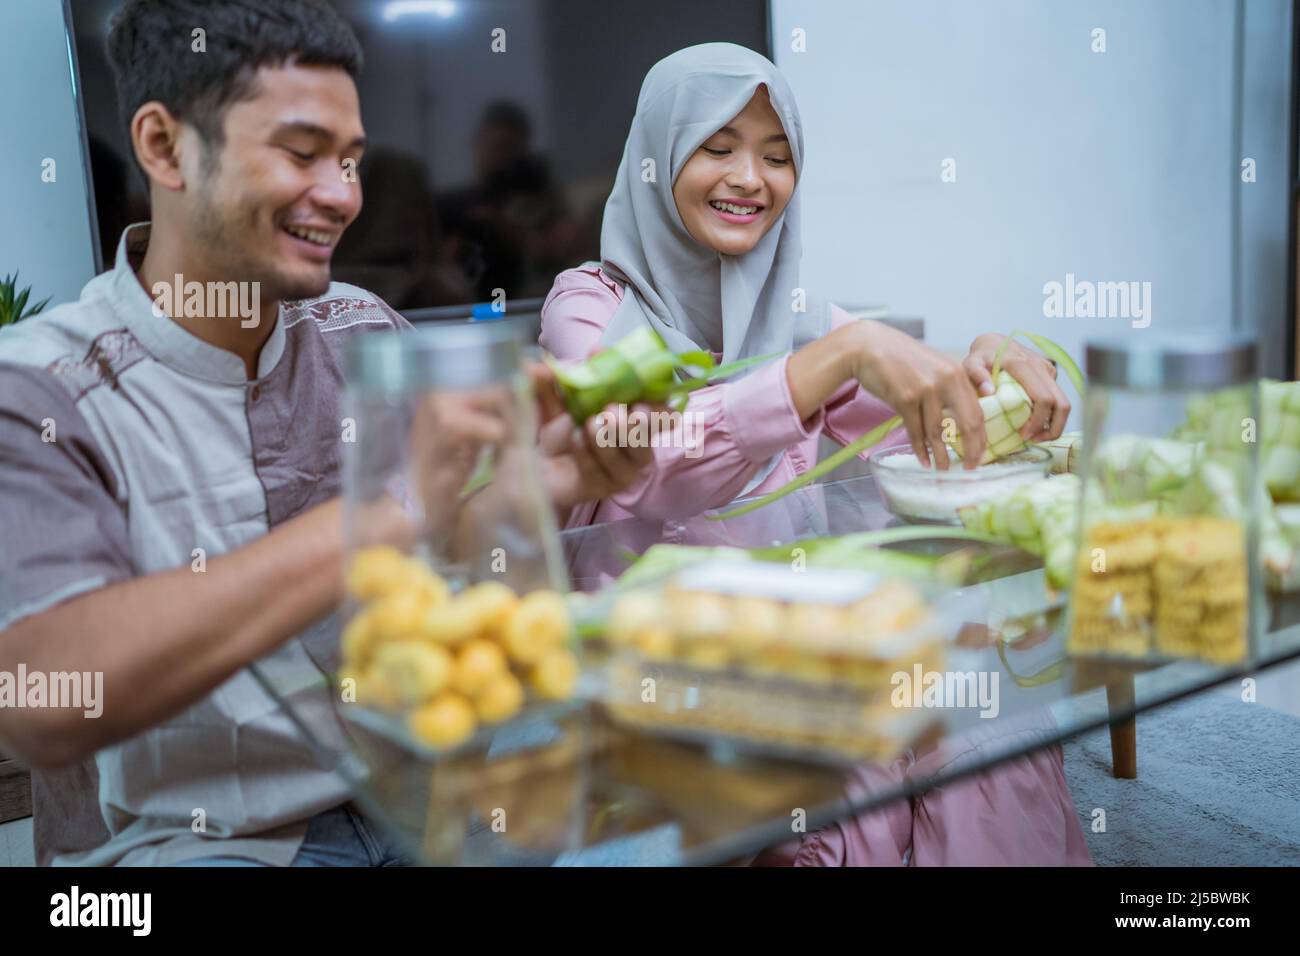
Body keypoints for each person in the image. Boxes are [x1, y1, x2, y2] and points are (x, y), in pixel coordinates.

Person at [0, 0, 649, 867]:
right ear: (163, 147)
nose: (344, 196)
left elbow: (444, 542)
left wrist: (546, 482)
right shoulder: (43, 385)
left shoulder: (363, 328)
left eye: (350, 161)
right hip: (202, 844)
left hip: (412, 795)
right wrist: (387, 509)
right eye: (302, 154)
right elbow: (44, 704)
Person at [540, 43, 1090, 865]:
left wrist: (992, 371)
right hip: (655, 657)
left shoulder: (792, 312)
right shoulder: (588, 305)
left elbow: (923, 433)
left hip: (801, 634)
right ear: (656, 158)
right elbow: (643, 456)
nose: (750, 179)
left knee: (979, 711)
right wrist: (835, 358)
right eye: (717, 148)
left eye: (777, 155)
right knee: (847, 791)